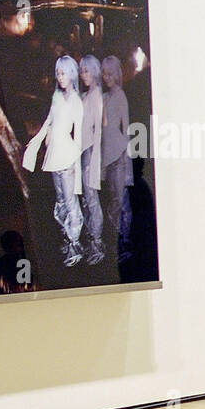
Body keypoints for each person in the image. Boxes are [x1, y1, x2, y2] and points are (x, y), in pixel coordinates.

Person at [22, 55, 84, 267]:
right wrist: (36, 142)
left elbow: (79, 137)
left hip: (67, 155)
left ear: (72, 74)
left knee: (69, 200)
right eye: (58, 73)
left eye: (63, 72)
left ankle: (74, 244)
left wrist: (77, 165)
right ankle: (67, 239)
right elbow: (48, 122)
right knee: (60, 199)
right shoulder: (56, 97)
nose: (59, 77)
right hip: (54, 155)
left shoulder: (76, 101)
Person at [99, 55, 133, 262]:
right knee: (112, 201)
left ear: (117, 74)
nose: (106, 77)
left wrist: (127, 164)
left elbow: (126, 129)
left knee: (120, 202)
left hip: (119, 156)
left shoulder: (120, 96)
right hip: (107, 157)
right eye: (104, 73)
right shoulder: (104, 98)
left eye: (110, 73)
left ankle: (124, 244)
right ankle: (117, 244)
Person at [78, 55, 105, 265]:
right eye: (81, 71)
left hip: (90, 151)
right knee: (87, 199)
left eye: (87, 70)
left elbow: (98, 130)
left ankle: (97, 244)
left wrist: (94, 159)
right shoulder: (88, 95)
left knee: (92, 200)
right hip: (83, 150)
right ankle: (92, 242)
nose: (83, 75)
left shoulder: (96, 96)